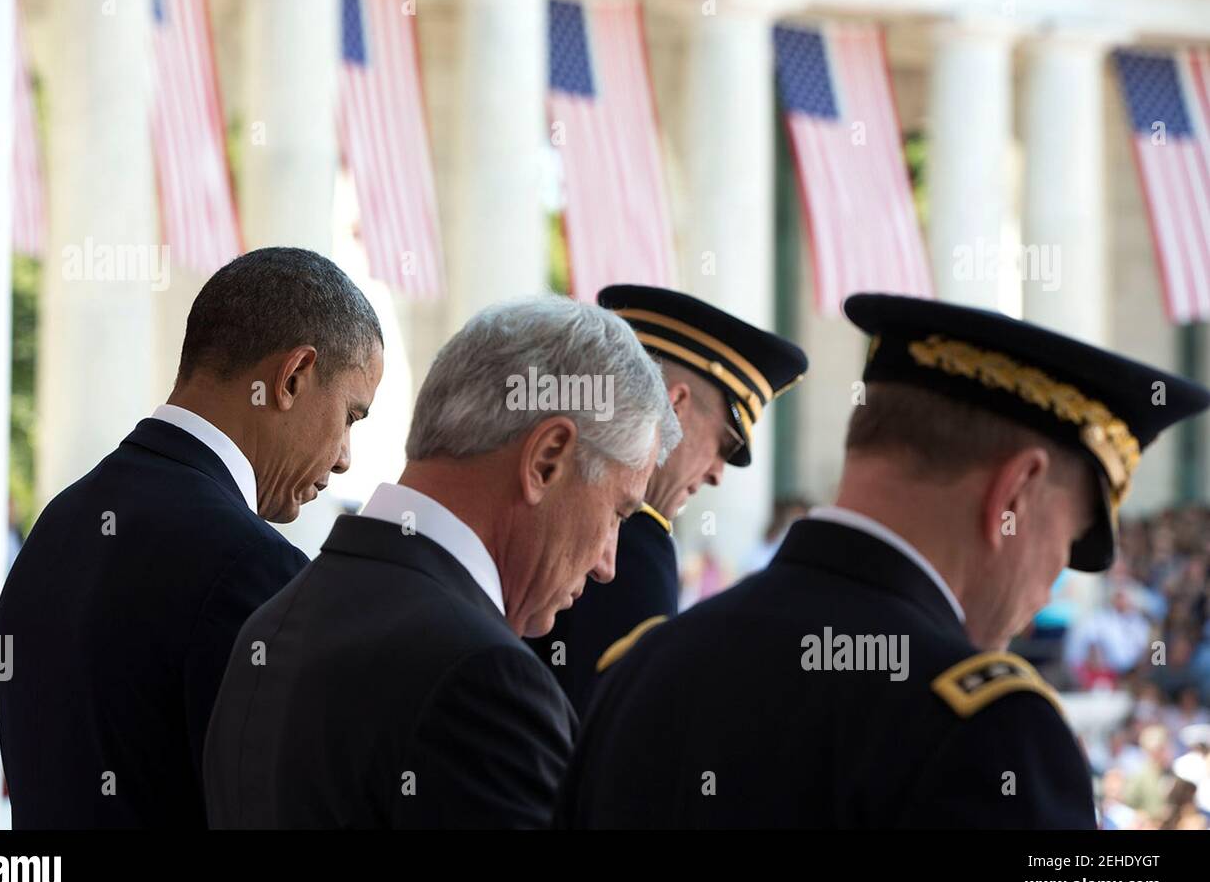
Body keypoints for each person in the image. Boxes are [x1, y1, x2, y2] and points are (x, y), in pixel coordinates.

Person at [557, 293, 1210, 828]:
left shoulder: (643, 665)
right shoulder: (988, 729)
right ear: (1016, 491)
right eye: (1069, 542)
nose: (1049, 586)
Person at [203, 296, 681, 828]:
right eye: (618, 512)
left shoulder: (272, 622)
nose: (607, 564)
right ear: (547, 460)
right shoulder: (485, 678)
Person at [0, 247, 384, 828]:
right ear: (294, 376)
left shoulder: (58, 525)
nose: (347, 458)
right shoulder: (255, 567)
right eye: (351, 415)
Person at [526, 285, 807, 717]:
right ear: (674, 406)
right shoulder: (636, 546)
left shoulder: (546, 500)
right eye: (724, 445)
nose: (717, 473)